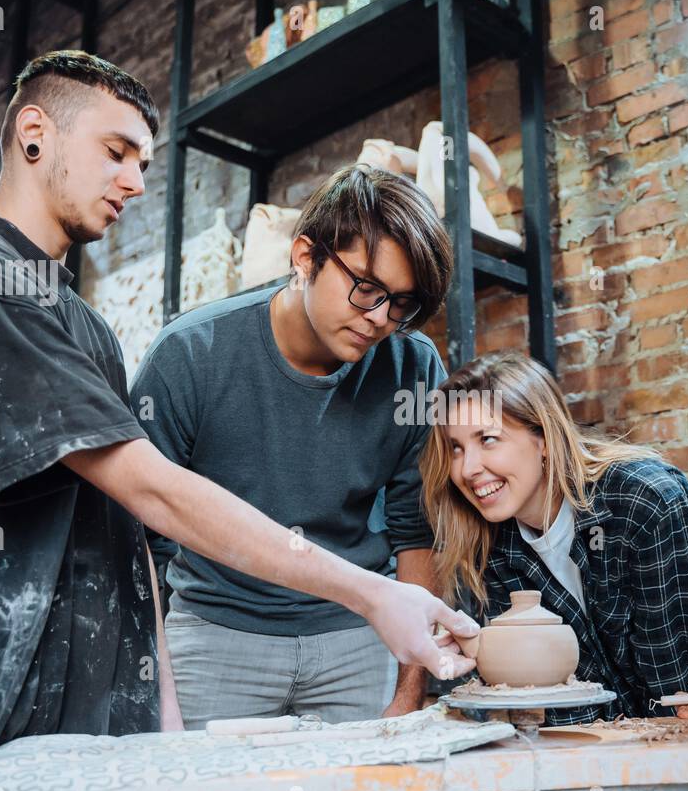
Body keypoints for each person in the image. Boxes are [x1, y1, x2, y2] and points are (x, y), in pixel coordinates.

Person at [0, 50, 474, 791]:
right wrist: (376, 594)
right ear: (34, 134)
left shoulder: (83, 328)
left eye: (145, 162)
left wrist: (166, 714)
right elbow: (152, 491)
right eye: (117, 151)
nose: (138, 182)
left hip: (73, 720)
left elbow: (124, 540)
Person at [131, 164, 450, 727]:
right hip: (214, 637)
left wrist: (409, 693)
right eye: (366, 289)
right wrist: (162, 699)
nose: (380, 319)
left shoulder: (413, 366)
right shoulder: (189, 355)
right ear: (305, 257)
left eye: (400, 303)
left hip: (357, 639)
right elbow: (138, 548)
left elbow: (416, 530)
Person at [419, 351, 688, 791]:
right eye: (455, 448)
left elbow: (685, 671)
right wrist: (605, 789)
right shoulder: (493, 545)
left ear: (543, 439)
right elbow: (556, 693)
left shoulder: (642, 502)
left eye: (488, 440)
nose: (468, 469)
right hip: (608, 747)